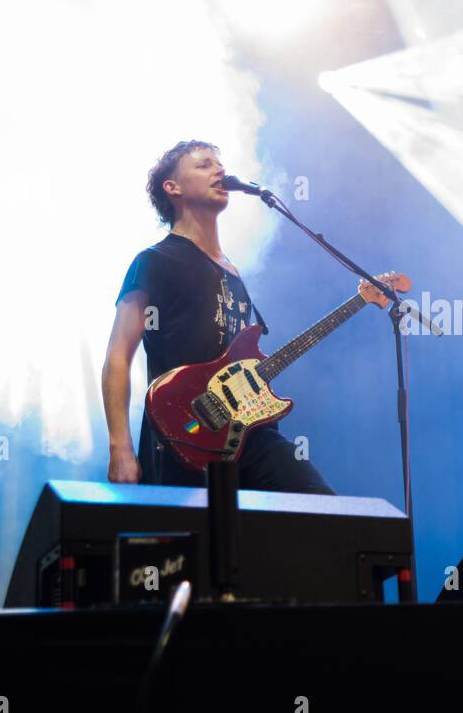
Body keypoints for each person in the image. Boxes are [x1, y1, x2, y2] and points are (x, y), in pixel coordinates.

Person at [101, 140, 334, 493]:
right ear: (173, 188)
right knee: (199, 545)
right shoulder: (154, 261)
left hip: (250, 431)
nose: (220, 171)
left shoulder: (234, 272)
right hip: (183, 431)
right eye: (204, 165)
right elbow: (118, 356)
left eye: (220, 164)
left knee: (321, 512)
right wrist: (120, 446)